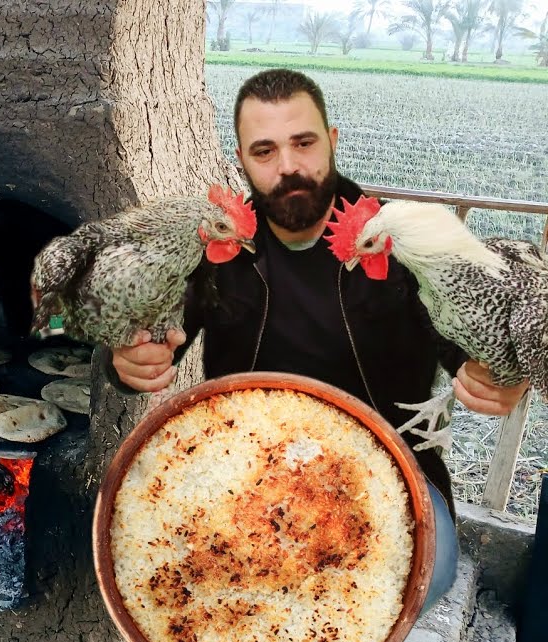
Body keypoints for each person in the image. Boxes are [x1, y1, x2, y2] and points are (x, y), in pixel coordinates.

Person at [108, 68, 528, 610]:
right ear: (242, 161)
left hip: (388, 462)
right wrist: (130, 362)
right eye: (264, 151)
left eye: (303, 142)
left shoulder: (403, 243)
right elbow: (152, 336)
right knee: (184, 570)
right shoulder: (218, 244)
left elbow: (472, 346)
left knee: (424, 575)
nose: (288, 166)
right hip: (244, 457)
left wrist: (498, 374)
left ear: (331, 141)